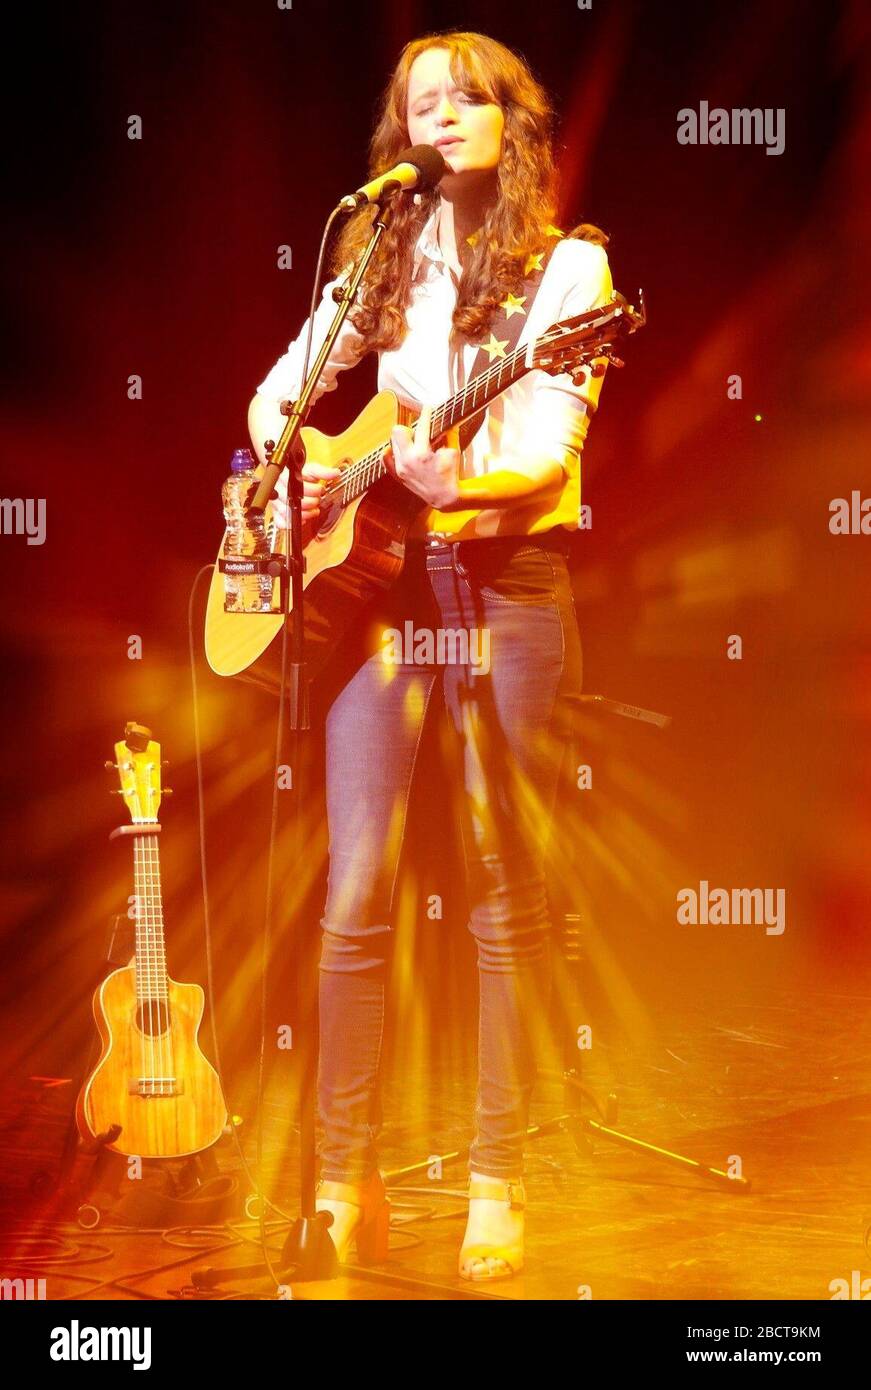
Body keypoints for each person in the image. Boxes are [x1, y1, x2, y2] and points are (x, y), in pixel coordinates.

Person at [247, 29, 613, 1282]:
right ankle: (346, 1180)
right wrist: (304, 473)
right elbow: (278, 397)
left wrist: (462, 483)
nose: (441, 118)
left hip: (507, 587)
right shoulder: (377, 259)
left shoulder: (569, 276)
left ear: (512, 120)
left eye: (465, 99)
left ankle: (496, 1178)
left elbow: (550, 453)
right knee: (358, 892)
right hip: (382, 594)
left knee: (504, 897)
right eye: (419, 104)